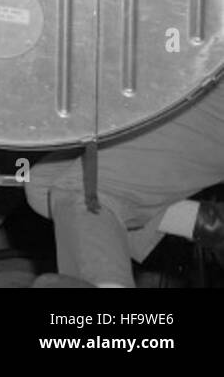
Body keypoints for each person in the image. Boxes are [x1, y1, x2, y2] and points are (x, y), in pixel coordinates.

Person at [24, 77, 224, 287]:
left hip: (206, 86)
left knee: (85, 190)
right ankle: (208, 223)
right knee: (43, 186)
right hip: (192, 83)